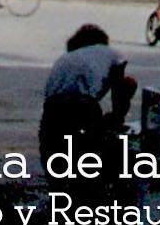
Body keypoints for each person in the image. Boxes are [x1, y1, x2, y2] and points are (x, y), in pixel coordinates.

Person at [39, 24, 137, 175]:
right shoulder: (112, 54)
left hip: (53, 110)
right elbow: (119, 90)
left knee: (57, 161)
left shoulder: (65, 58)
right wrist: (118, 117)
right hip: (83, 106)